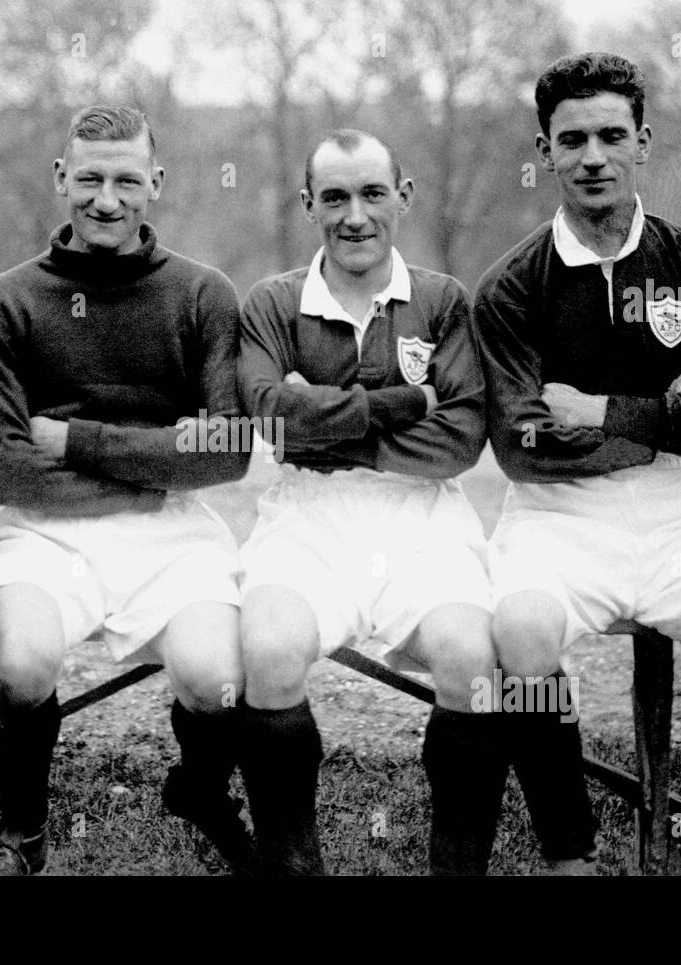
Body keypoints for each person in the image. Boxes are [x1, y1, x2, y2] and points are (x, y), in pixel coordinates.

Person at [474, 52, 681, 875]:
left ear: (643, 142)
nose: (593, 155)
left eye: (611, 135)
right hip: (560, 514)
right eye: (573, 138)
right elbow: (525, 447)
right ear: (547, 151)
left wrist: (602, 413)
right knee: (520, 634)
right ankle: (571, 854)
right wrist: (672, 410)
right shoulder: (512, 288)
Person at [0, 105, 252, 874]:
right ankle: (21, 831)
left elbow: (225, 452)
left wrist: (82, 442)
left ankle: (199, 789)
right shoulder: (3, 299)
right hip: (43, 531)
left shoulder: (204, 293)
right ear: (61, 178)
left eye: (127, 180)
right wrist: (152, 465)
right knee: (20, 663)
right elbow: (5, 470)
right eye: (89, 177)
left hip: (174, 533)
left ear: (154, 184)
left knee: (218, 679)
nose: (106, 198)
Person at [236, 130, 497, 875]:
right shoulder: (274, 301)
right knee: (269, 648)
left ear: (402, 197)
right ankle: (296, 868)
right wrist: (407, 401)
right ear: (308, 203)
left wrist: (321, 417)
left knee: (474, 658)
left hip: (423, 511)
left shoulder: (443, 300)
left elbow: (459, 438)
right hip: (309, 513)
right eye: (336, 197)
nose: (355, 215)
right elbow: (265, 415)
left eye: (373, 194)